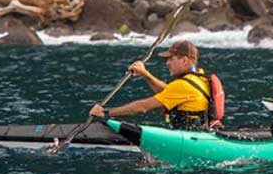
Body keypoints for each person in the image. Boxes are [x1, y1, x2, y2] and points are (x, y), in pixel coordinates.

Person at [89, 40, 217, 130]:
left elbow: (143, 107)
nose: (167, 63)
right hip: (199, 132)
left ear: (184, 60)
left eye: (171, 59)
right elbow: (168, 91)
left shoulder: (183, 86)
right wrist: (145, 74)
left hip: (188, 138)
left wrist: (106, 113)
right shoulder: (200, 78)